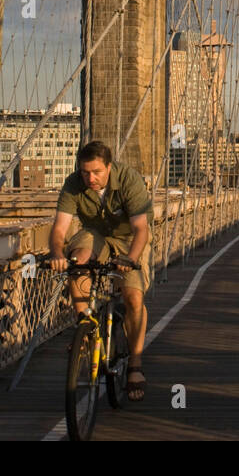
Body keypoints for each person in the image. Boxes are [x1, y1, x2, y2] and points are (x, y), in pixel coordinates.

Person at [47, 140, 153, 402]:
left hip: (128, 239)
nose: (90, 178)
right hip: (94, 235)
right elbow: (60, 229)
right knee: (78, 261)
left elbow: (141, 229)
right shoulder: (74, 183)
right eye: (85, 172)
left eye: (96, 172)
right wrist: (58, 254)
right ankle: (85, 328)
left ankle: (135, 366)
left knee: (133, 296)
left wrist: (130, 258)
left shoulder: (129, 179)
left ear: (109, 166)